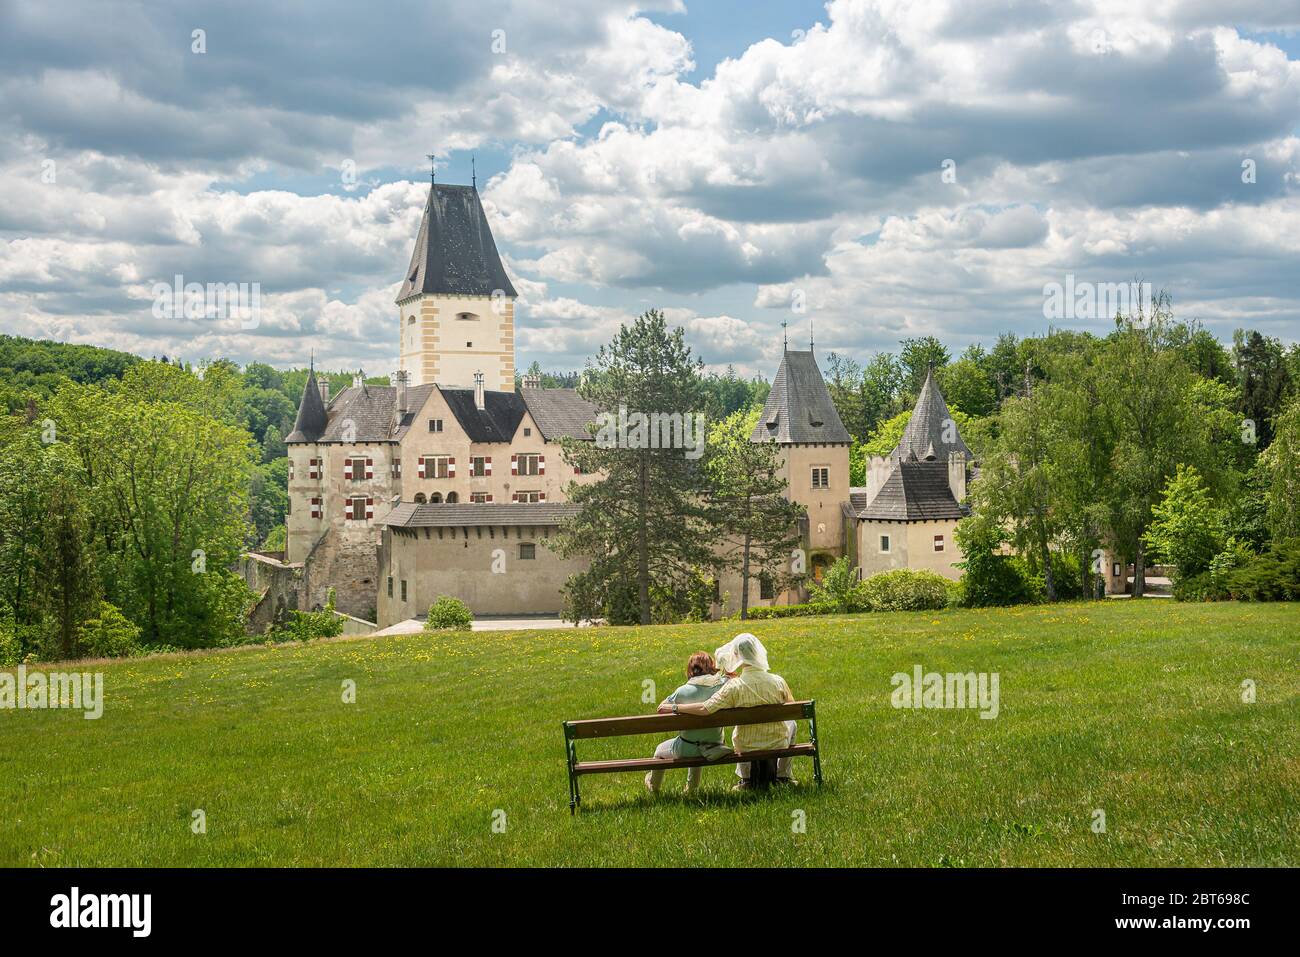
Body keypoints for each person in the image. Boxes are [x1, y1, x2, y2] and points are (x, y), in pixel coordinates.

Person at [672, 633, 797, 790]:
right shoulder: (778, 681)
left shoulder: (734, 686)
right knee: (792, 723)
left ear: (737, 656)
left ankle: (746, 779)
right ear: (758, 653)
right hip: (777, 742)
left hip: (747, 745)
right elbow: (792, 709)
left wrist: (675, 707)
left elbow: (705, 708)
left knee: (741, 733)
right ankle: (784, 775)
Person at [644, 652, 732, 795]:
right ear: (711, 667)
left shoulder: (682, 691)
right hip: (715, 745)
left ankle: (653, 785)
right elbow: (731, 676)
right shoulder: (722, 686)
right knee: (696, 741)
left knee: (660, 750)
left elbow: (661, 708)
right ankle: (691, 789)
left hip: (687, 748)